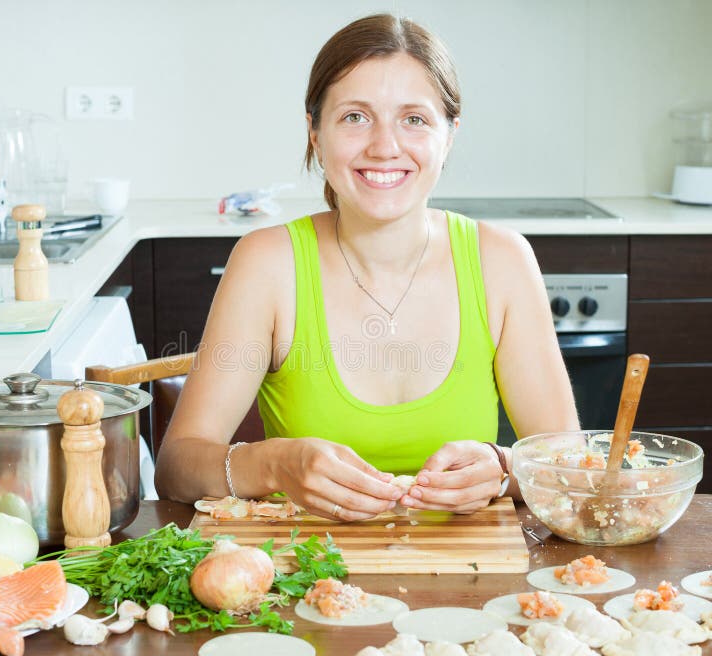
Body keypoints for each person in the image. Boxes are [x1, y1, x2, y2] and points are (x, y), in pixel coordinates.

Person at [155, 13, 578, 519]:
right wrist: (272, 464)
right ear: (314, 132)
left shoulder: (502, 262)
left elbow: (568, 468)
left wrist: (505, 468)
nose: (384, 147)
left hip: (472, 584)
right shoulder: (268, 264)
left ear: (450, 134)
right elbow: (176, 469)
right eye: (355, 117)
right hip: (306, 581)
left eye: (414, 119)